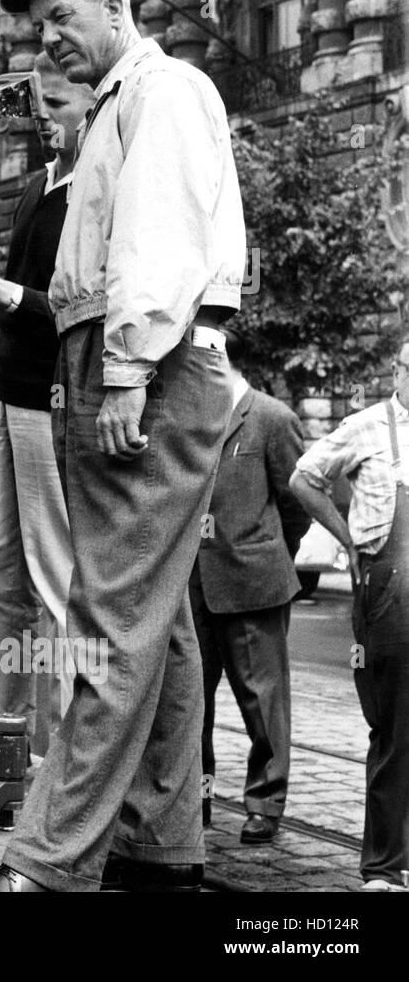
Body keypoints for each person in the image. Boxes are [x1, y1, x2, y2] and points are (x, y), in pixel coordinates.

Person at [0, 0, 245, 893]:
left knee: (106, 620)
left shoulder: (162, 89)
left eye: (62, 17)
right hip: (120, 360)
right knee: (156, 621)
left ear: (112, 5)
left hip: (153, 364)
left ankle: (48, 864)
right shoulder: (112, 107)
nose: (47, 39)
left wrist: (128, 368)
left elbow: (158, 235)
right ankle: (160, 847)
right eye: (37, 24)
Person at [0, 51, 95, 757]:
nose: (46, 119)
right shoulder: (40, 183)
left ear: (93, 105)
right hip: (9, 405)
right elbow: (9, 297)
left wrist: (6, 295)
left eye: (60, 107)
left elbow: (84, 309)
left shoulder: (97, 188)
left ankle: (61, 756)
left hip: (53, 403)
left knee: (54, 586)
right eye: (41, 107)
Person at [290, 337, 409, 891]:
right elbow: (304, 478)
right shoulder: (366, 426)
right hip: (387, 596)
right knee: (393, 731)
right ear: (396, 371)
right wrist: (346, 541)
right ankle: (384, 868)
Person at [191, 329, 309, 843]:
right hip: (193, 585)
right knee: (190, 702)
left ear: (223, 363)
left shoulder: (272, 418)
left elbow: (297, 502)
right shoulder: (190, 415)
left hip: (254, 583)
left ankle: (266, 804)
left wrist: (268, 554)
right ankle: (193, 801)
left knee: (263, 703)